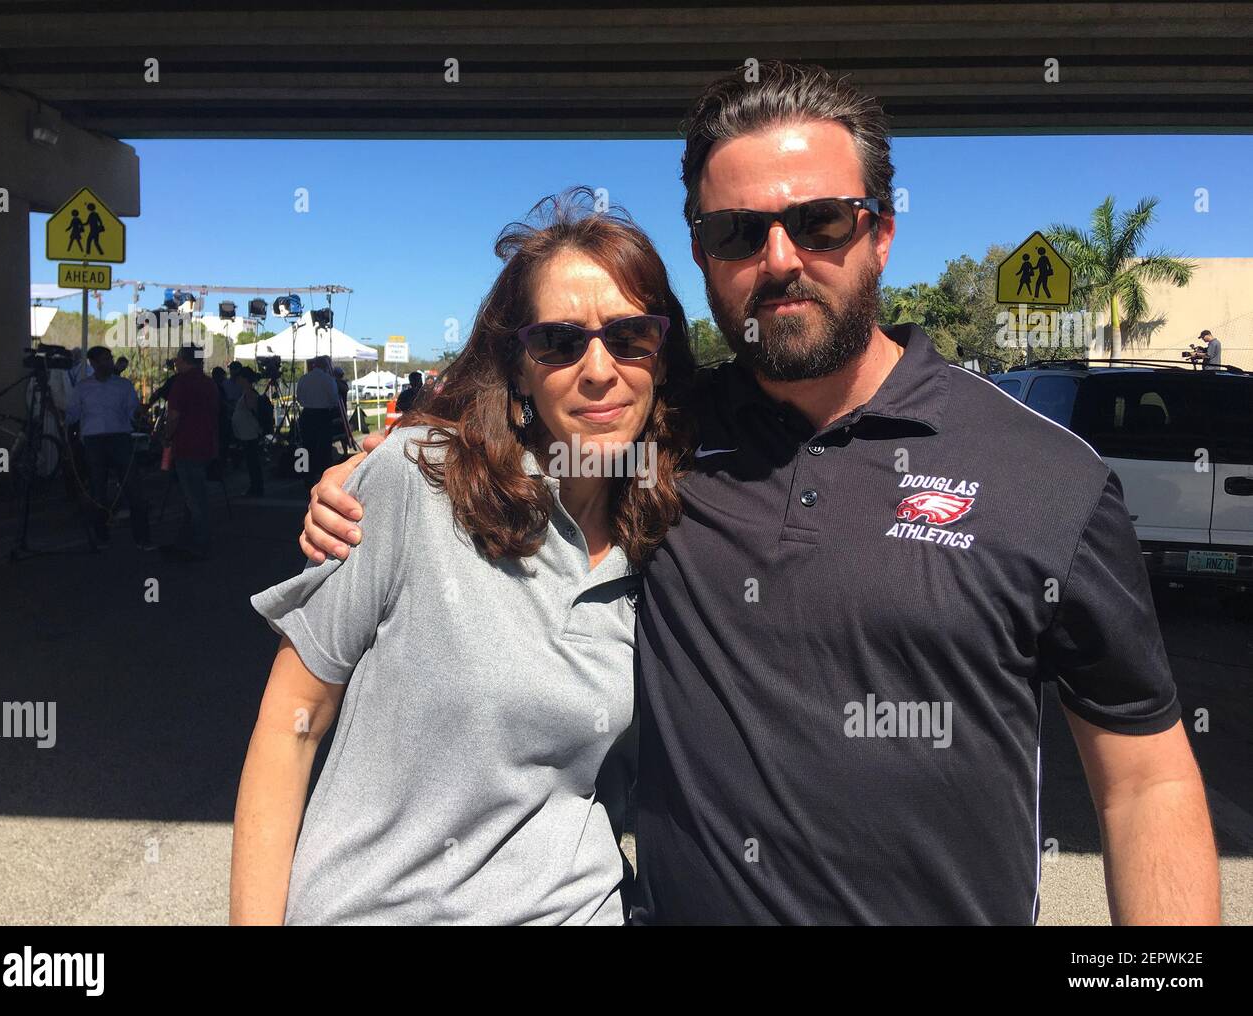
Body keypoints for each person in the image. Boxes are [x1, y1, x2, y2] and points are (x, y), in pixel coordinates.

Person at [301, 63, 1219, 926]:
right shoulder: (663, 443)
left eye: (820, 222)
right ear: (701, 255)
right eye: (738, 232)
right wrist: (375, 467)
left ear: (882, 232)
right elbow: (517, 438)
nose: (779, 259)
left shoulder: (1045, 476)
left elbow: (1147, 784)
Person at [232, 190, 695, 925]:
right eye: (560, 342)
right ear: (518, 369)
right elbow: (292, 721)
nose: (599, 369)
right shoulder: (415, 482)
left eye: (630, 336)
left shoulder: (677, 536)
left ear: (662, 359)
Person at [65, 345, 152, 549]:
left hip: (120, 438)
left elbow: (132, 409)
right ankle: (101, 536)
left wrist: (139, 414)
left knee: (133, 487)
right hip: (93, 441)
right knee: (98, 490)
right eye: (104, 359)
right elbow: (73, 414)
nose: (109, 362)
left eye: (110, 358)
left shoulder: (123, 385)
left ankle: (142, 537)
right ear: (93, 363)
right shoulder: (83, 387)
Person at [162, 345, 218, 560]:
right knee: (194, 496)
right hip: (206, 445)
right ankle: (186, 540)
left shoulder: (182, 383)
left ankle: (198, 543)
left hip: (186, 445)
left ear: (184, 360)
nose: (175, 362)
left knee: (194, 498)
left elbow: (174, 416)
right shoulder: (208, 383)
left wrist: (167, 436)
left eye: (177, 358)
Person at [294, 356, 340, 488]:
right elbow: (334, 399)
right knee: (324, 447)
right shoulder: (328, 380)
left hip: (307, 414)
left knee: (307, 447)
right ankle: (324, 477)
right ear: (326, 366)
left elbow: (299, 398)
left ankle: (307, 478)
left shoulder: (304, 378)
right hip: (323, 415)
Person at [232, 367, 265, 497]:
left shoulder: (250, 394)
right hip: (247, 432)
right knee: (251, 461)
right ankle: (255, 485)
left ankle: (256, 486)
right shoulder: (246, 393)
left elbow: (253, 410)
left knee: (253, 461)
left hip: (250, 432)